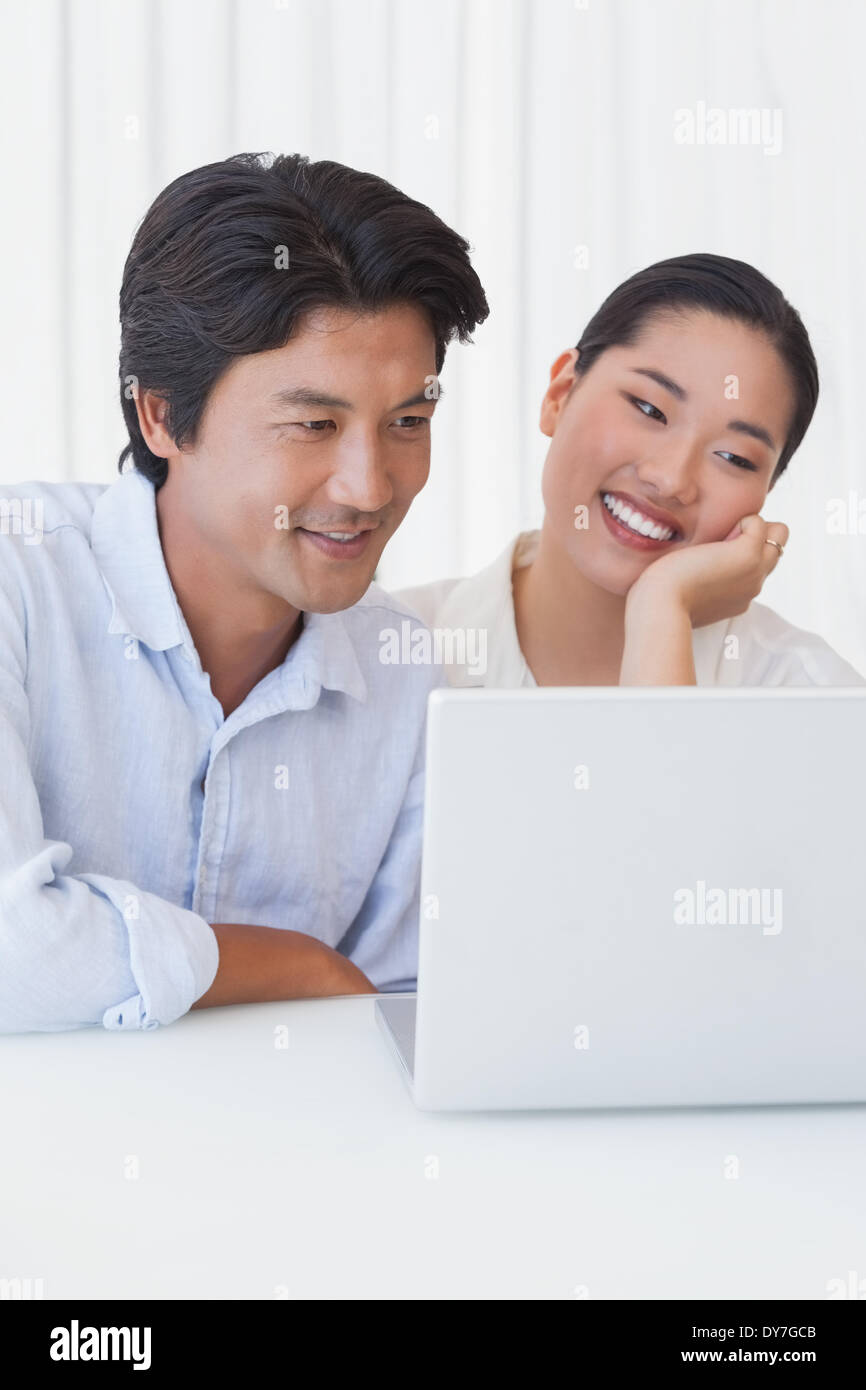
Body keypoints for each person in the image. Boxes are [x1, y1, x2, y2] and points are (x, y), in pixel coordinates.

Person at [0, 151, 488, 1033]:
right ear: (160, 413)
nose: (369, 486)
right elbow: (12, 954)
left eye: (408, 423)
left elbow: (403, 1021)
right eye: (314, 425)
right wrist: (284, 962)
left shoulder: (403, 669)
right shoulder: (17, 582)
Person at [399, 253, 864, 688]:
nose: (671, 480)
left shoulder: (813, 697)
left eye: (734, 458)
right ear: (560, 394)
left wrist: (662, 607)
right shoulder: (388, 653)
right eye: (649, 408)